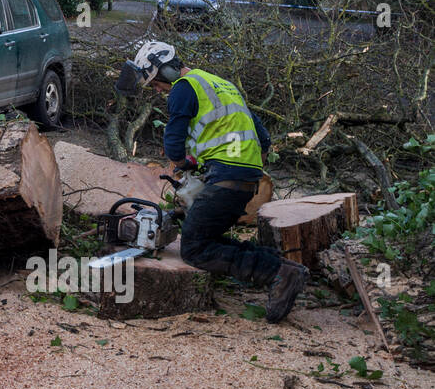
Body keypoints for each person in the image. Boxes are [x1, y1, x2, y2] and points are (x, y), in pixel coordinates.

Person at [115, 40, 308, 323]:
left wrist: (182, 163)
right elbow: (262, 135)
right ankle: (283, 265)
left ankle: (278, 273)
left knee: (194, 249)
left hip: (227, 178)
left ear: (167, 71)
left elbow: (173, 142)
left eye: (156, 83)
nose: (157, 90)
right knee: (208, 236)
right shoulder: (221, 84)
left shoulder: (183, 87)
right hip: (244, 177)